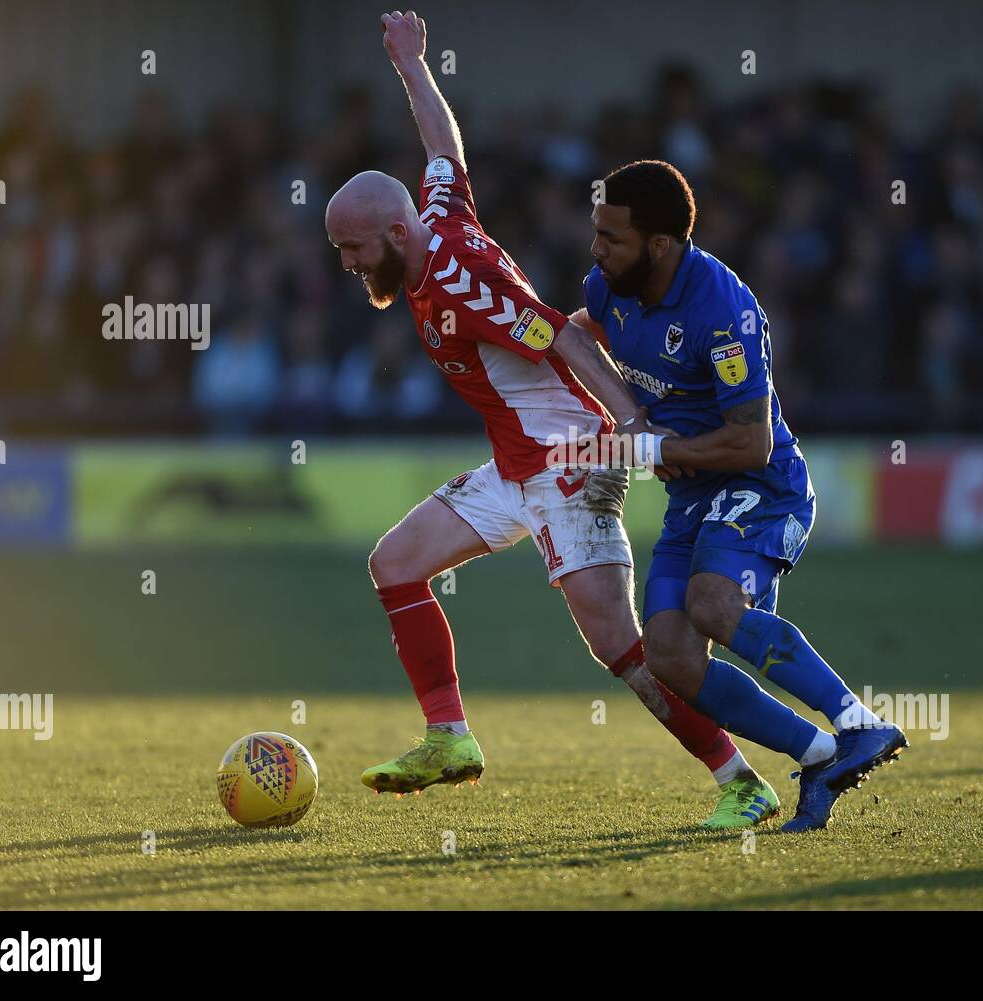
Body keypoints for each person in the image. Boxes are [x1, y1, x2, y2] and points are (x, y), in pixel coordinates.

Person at [322, 11, 780, 829]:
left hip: (570, 459)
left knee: (623, 651)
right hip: (517, 463)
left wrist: (632, 421)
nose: (350, 267)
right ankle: (449, 736)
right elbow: (442, 151)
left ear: (395, 233)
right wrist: (411, 65)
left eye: (354, 250)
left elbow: (564, 331)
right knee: (394, 562)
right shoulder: (435, 219)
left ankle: (740, 778)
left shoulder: (461, 280)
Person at [566, 159, 909, 831]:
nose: (596, 248)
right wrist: (630, 419)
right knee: (666, 655)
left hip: (761, 485)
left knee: (712, 603)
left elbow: (750, 445)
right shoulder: (609, 287)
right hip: (692, 498)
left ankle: (857, 722)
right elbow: (576, 334)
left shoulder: (723, 312)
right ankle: (818, 755)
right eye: (595, 232)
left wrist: (655, 448)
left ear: (659, 245)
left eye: (611, 237)